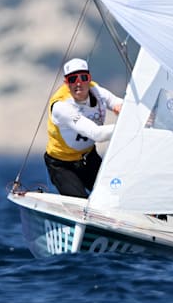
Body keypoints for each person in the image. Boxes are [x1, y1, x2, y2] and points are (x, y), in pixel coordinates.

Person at [44, 58, 123, 198]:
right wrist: (128, 126)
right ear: (66, 83)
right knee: (80, 201)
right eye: (73, 79)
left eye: (83, 77)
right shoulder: (61, 106)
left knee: (117, 195)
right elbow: (96, 134)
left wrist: (124, 109)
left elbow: (116, 101)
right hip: (62, 165)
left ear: (89, 78)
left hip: (89, 158)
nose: (79, 83)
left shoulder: (96, 90)